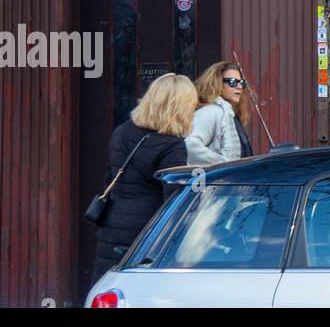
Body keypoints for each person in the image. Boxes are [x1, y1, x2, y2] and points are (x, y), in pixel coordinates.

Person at [93, 73, 196, 281]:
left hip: (112, 224)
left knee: (107, 290)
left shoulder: (122, 131)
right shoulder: (172, 146)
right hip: (145, 232)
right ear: (180, 107)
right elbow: (173, 202)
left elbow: (110, 177)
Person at [188, 61, 253, 164]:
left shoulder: (229, 112)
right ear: (216, 82)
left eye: (241, 82)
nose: (239, 87)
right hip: (218, 178)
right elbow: (189, 145)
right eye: (232, 81)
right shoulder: (211, 111)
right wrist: (221, 163)